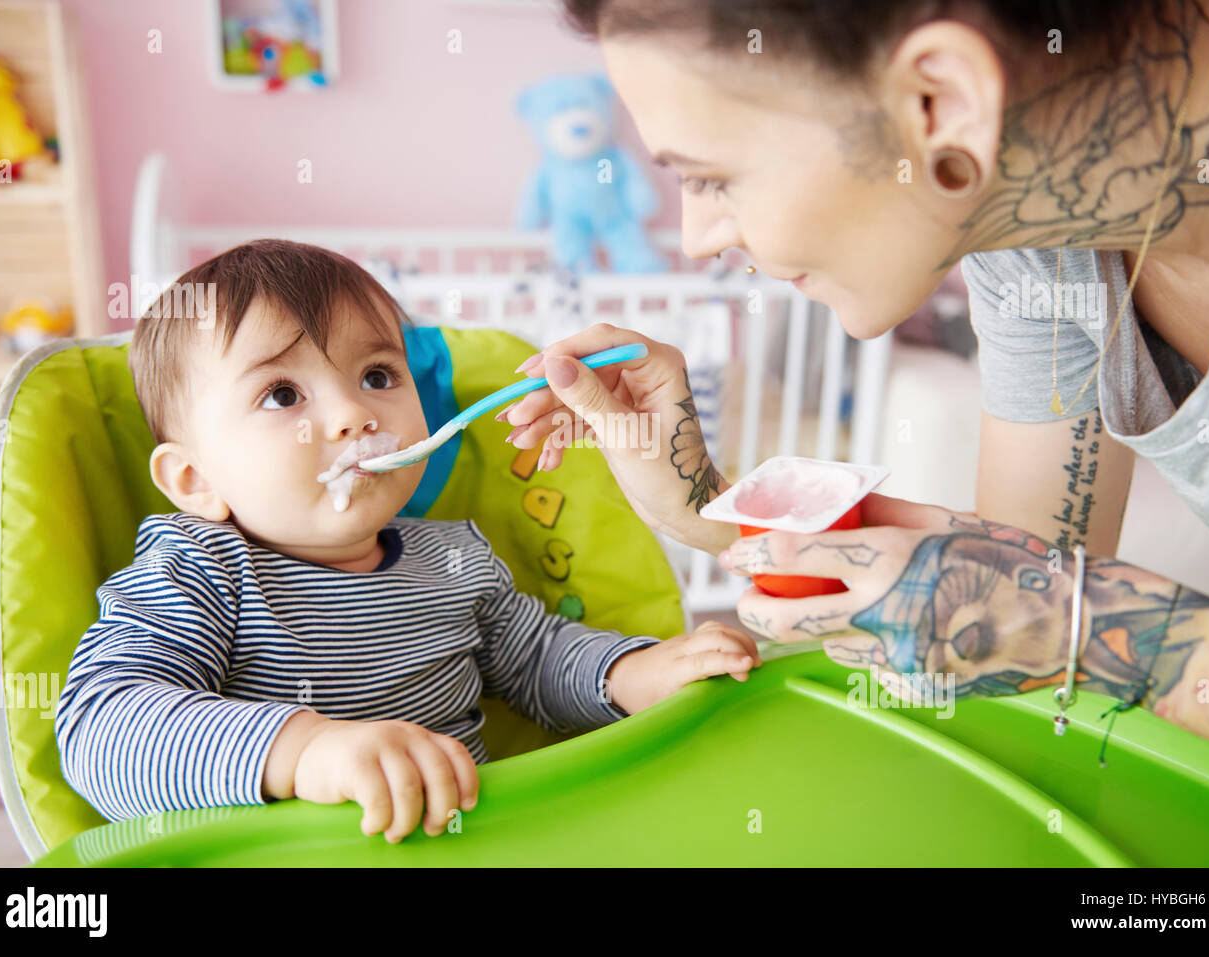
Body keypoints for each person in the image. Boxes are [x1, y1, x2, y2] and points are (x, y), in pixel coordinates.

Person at [496, 0, 1209, 760]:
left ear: (943, 100)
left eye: (713, 177)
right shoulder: (1037, 239)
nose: (698, 241)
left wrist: (1078, 628)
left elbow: (1063, 618)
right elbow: (1026, 605)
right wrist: (706, 504)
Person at [54, 239, 761, 844]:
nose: (354, 414)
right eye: (281, 394)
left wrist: (634, 673)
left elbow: (542, 658)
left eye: (376, 375)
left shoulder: (455, 557)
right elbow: (102, 725)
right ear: (193, 478)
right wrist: (306, 751)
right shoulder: (199, 568)